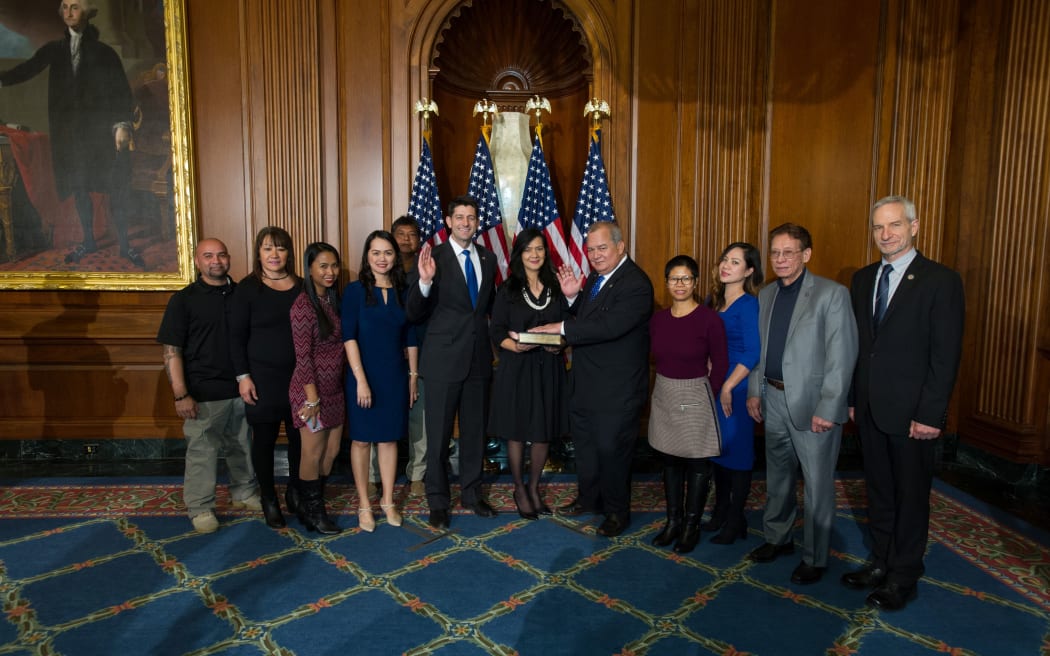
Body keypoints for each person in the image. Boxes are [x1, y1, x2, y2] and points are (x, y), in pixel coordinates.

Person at [843, 196, 965, 610]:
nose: (886, 234)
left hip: (914, 414)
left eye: (894, 225)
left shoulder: (940, 280)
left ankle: (904, 574)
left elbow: (945, 355)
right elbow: (858, 348)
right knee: (878, 491)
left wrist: (931, 414)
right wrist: (853, 399)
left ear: (915, 226)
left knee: (911, 496)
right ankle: (880, 561)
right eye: (878, 227)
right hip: (871, 409)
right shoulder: (862, 279)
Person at [745, 223, 858, 584]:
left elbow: (842, 358)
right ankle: (777, 539)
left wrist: (830, 408)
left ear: (806, 255)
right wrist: (754, 390)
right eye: (775, 252)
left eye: (788, 252)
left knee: (817, 484)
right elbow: (759, 352)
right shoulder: (766, 295)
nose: (779, 259)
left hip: (812, 406)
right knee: (777, 477)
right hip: (773, 398)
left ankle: (815, 557)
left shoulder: (831, 294)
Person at [533, 221, 654, 537]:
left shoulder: (636, 284)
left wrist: (560, 327)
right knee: (586, 449)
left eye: (602, 248)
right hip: (587, 385)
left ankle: (616, 513)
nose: (595, 255)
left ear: (620, 247)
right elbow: (590, 319)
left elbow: (608, 327)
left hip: (618, 390)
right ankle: (589, 498)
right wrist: (573, 299)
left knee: (612, 452)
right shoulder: (597, 281)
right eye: (590, 249)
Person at [0, 1, 141, 267]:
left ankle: (124, 244)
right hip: (71, 136)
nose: (68, 12)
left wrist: (122, 125)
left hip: (101, 134)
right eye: (64, 7)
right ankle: (88, 239)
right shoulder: (56, 50)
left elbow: (121, 91)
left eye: (75, 7)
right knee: (79, 188)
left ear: (88, 13)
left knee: (113, 188)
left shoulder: (104, 52)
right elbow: (28, 68)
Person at [405, 195, 498, 529]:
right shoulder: (434, 258)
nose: (465, 223)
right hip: (443, 361)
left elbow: (489, 310)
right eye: (459, 217)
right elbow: (413, 312)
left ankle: (472, 495)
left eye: (471, 217)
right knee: (439, 435)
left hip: (478, 361)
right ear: (448, 221)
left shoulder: (488, 258)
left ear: (477, 222)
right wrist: (426, 282)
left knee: (474, 434)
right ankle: (438, 501)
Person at [157, 238, 260, 533]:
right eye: (208, 256)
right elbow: (171, 351)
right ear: (197, 261)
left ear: (229, 258)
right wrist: (181, 394)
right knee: (203, 452)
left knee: (242, 444)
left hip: (241, 388)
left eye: (221, 255)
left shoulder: (243, 294)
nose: (216, 261)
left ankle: (244, 492)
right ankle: (200, 507)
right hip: (202, 393)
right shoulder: (184, 299)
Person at [648, 255, 728, 552]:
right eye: (673, 279)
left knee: (697, 464)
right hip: (665, 393)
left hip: (696, 395)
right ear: (666, 282)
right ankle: (673, 522)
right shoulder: (658, 320)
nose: (679, 284)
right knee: (669, 461)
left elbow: (720, 363)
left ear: (695, 283)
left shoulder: (709, 320)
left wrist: (710, 393)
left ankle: (691, 526)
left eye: (686, 279)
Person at [488, 228, 568, 520]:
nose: (534, 255)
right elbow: (496, 330)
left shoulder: (555, 286)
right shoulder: (508, 289)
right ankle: (519, 488)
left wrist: (560, 345)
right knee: (518, 429)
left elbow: (568, 325)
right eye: (528, 249)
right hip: (517, 367)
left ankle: (534, 487)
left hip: (549, 368)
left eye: (539, 249)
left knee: (543, 428)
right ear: (519, 254)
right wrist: (514, 347)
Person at [343, 230, 419, 532]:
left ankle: (387, 501)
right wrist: (360, 380)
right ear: (367, 256)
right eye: (376, 252)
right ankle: (364, 504)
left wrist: (413, 376)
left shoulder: (403, 290)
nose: (382, 258)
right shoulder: (354, 291)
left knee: (389, 440)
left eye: (388, 252)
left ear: (395, 257)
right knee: (361, 440)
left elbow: (411, 336)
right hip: (363, 374)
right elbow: (349, 337)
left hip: (394, 375)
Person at [230, 227, 303, 529]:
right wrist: (243, 377)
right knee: (264, 441)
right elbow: (235, 338)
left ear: (289, 253)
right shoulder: (247, 288)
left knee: (300, 438)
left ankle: (294, 492)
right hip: (261, 377)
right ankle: (268, 498)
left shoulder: (302, 286)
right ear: (258, 253)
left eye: (281, 248)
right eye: (267, 248)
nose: (274, 255)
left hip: (299, 378)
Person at [703, 243, 763, 544]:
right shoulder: (713, 301)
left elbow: (752, 352)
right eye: (724, 259)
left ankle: (736, 520)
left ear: (749, 270)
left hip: (736, 388)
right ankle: (721, 511)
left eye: (735, 261)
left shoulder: (749, 304)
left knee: (738, 456)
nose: (726, 265)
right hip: (713, 384)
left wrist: (728, 386)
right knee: (718, 451)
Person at [368, 215, 428, 498]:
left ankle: (417, 474)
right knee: (376, 416)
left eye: (412, 234)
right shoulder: (378, 276)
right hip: (383, 358)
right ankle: (372, 475)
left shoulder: (429, 271)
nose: (406, 239)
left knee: (419, 418)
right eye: (400, 234)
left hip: (421, 354)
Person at [289, 242, 345, 535]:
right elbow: (303, 356)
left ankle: (309, 501)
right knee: (312, 453)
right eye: (323, 266)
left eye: (334, 265)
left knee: (331, 451)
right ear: (309, 269)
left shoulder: (332, 301)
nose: (330, 272)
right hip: (311, 391)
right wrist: (312, 398)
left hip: (334, 389)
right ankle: (312, 512)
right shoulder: (302, 305)